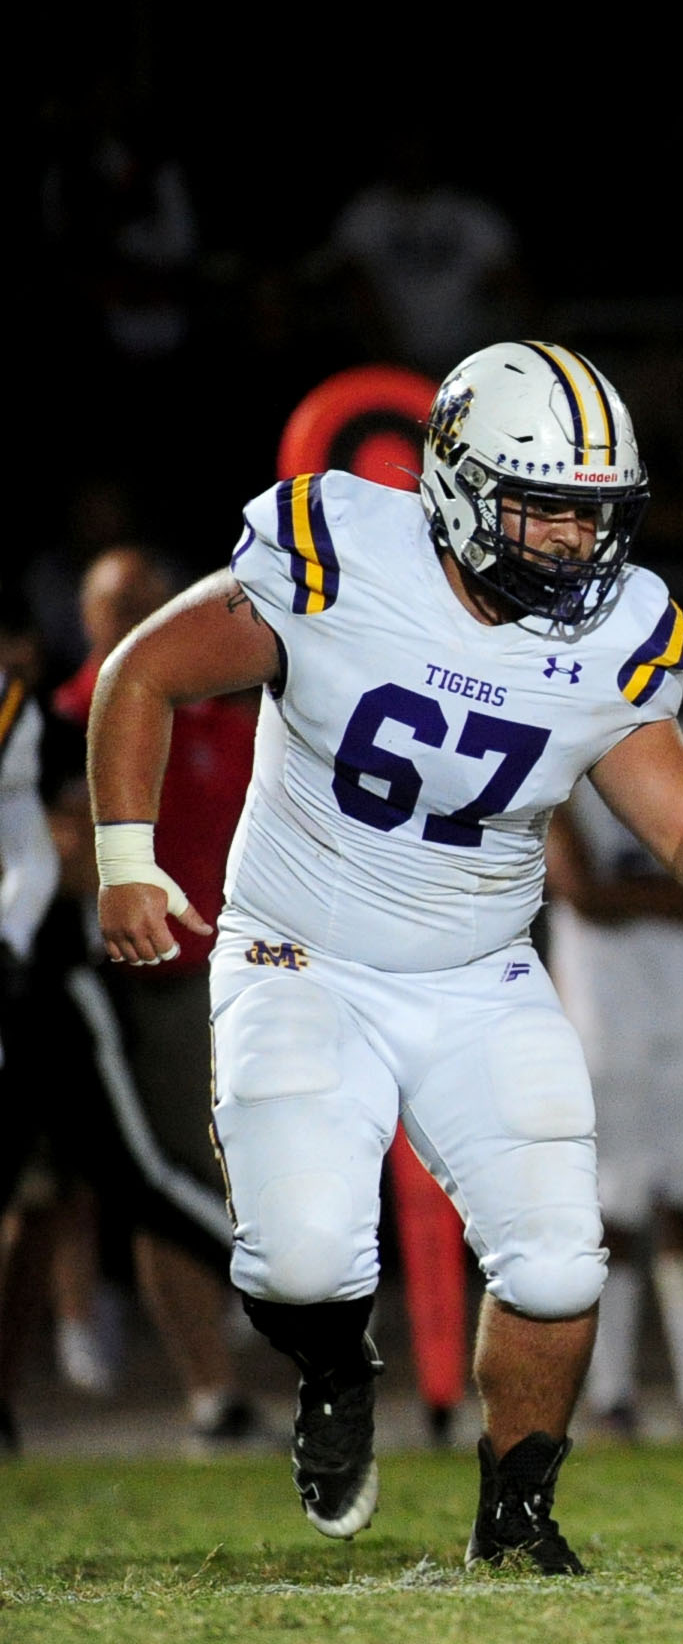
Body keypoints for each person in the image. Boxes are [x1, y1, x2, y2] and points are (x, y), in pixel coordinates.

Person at [87, 340, 683, 1569]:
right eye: (548, 509)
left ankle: (517, 1520)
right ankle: (332, 1367)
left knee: (560, 1261)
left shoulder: (622, 623)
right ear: (459, 483)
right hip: (298, 950)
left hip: (479, 972)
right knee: (303, 1260)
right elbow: (141, 673)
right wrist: (128, 860)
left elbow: (670, 808)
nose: (577, 542)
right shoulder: (341, 557)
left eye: (595, 515)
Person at [46, 546, 263, 1450]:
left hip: (239, 973)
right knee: (149, 1177)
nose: (125, 612)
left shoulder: (226, 710)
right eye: (111, 600)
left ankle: (244, 1314)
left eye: (142, 596)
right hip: (132, 982)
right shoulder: (59, 718)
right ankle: (205, 1384)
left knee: (217, 1167)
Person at [548, 706, 683, 1440]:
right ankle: (608, 1394)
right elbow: (582, 891)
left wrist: (667, 893)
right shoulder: (558, 730)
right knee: (612, 1203)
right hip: (603, 995)